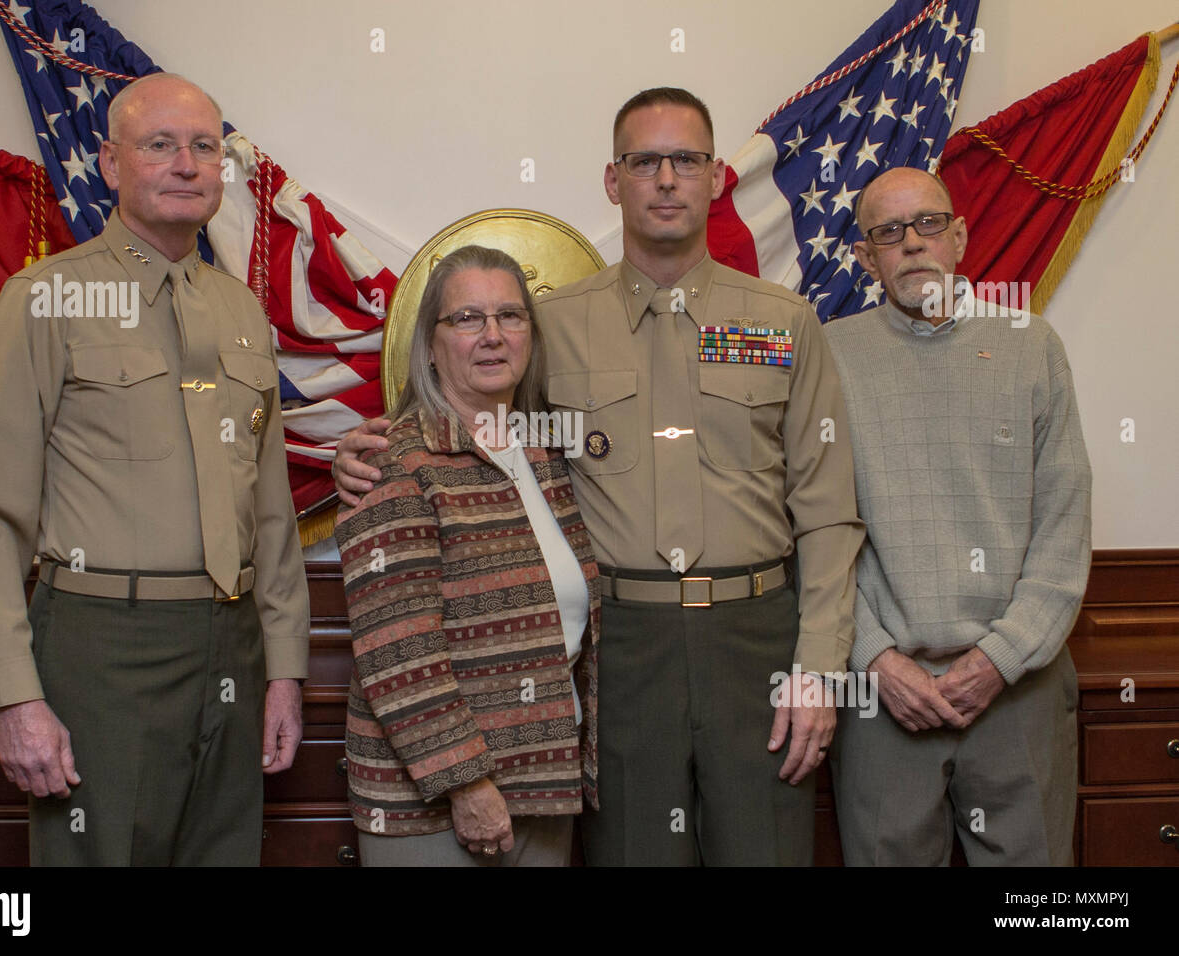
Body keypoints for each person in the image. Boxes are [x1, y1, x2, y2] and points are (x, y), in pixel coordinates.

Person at [336, 89, 863, 866]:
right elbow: (479, 430)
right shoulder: (549, 325)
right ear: (613, 182)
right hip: (618, 648)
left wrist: (819, 668)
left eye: (686, 160)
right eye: (643, 161)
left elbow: (827, 511)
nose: (666, 179)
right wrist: (367, 448)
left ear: (718, 178)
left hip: (756, 639)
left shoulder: (781, 322)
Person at [0, 73, 309, 866]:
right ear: (110, 164)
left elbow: (274, 517)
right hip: (102, 648)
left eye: (205, 146)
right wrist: (16, 695)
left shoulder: (240, 309)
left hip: (234, 643)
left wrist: (284, 671)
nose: (187, 164)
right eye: (160, 146)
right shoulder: (44, 298)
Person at [824, 166, 1092, 865]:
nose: (911, 243)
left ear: (961, 237)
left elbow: (1064, 525)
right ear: (865, 256)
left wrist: (998, 661)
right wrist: (875, 659)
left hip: (1017, 691)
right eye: (888, 231)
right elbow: (814, 531)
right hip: (883, 696)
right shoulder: (829, 356)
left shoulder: (1032, 346)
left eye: (928, 224)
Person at [335, 244, 600, 866]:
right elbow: (398, 647)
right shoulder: (395, 461)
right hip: (431, 803)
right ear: (429, 342)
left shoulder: (546, 451)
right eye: (467, 318)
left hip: (543, 780)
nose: (492, 335)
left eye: (511, 316)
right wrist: (466, 783)